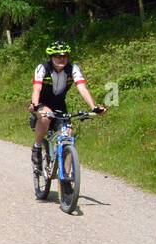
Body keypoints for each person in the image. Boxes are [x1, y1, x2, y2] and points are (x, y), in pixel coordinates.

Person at [28, 40, 105, 173]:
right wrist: (35, 105)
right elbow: (37, 88)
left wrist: (93, 107)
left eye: (64, 56)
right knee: (45, 118)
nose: (61, 59)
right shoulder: (43, 68)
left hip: (59, 104)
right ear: (51, 57)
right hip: (42, 103)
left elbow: (82, 88)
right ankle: (37, 147)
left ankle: (67, 178)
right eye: (57, 56)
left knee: (68, 136)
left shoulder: (73, 69)